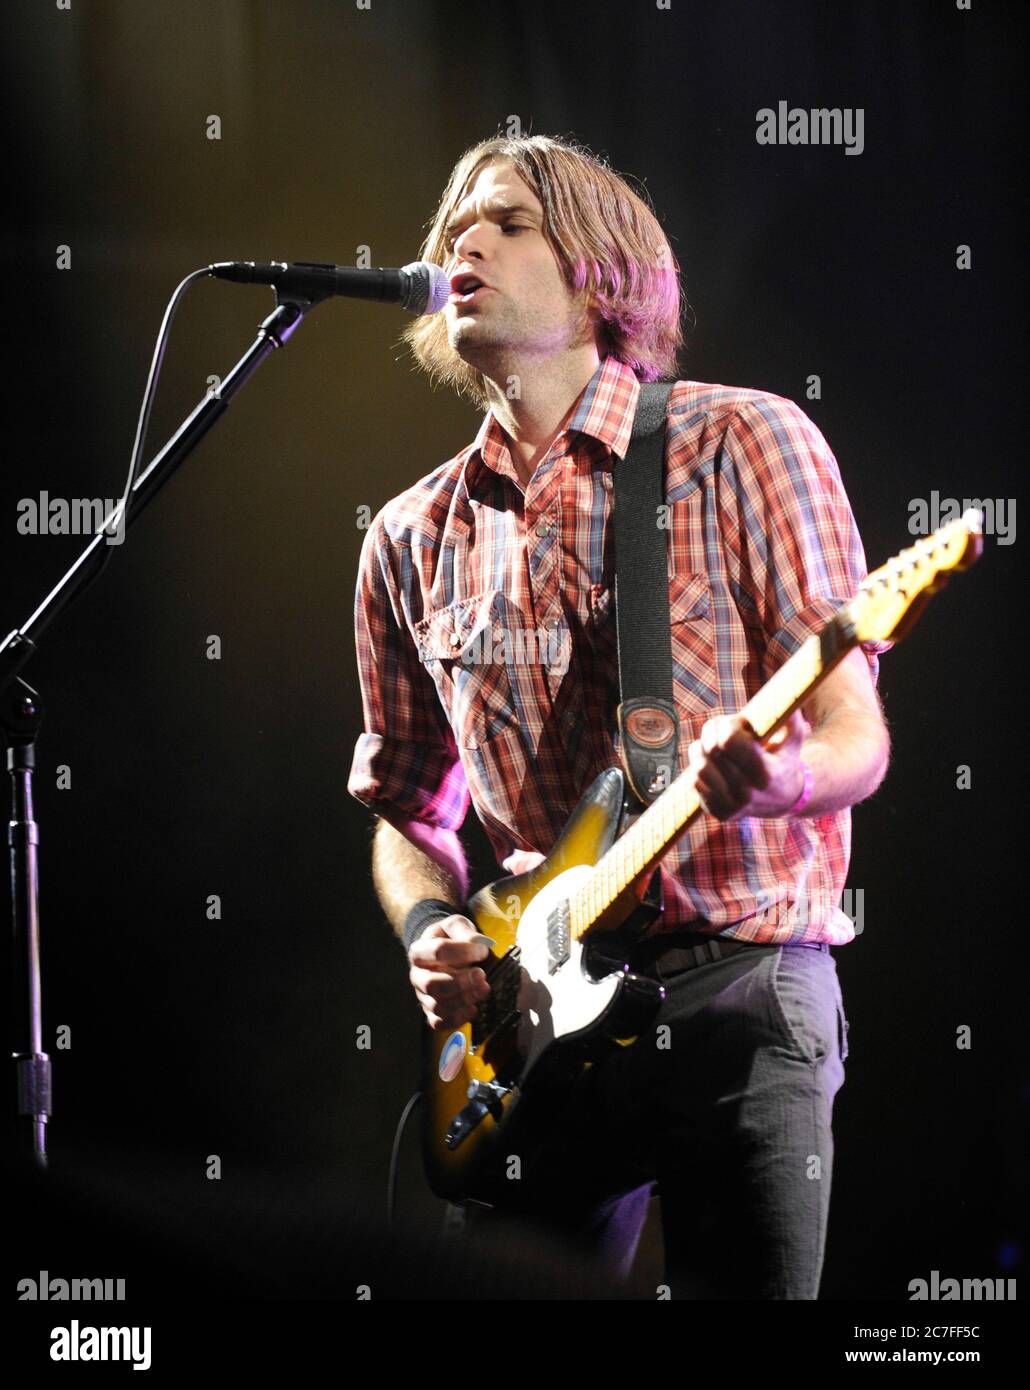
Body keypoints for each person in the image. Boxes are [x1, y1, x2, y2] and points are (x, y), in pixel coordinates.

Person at [348, 133, 892, 1299]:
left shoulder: (741, 440)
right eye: (451, 229)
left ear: (598, 269)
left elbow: (857, 735)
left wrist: (782, 776)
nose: (461, 244)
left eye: (503, 220)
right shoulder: (407, 535)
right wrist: (425, 928)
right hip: (529, 1021)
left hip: (738, 984)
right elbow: (406, 805)